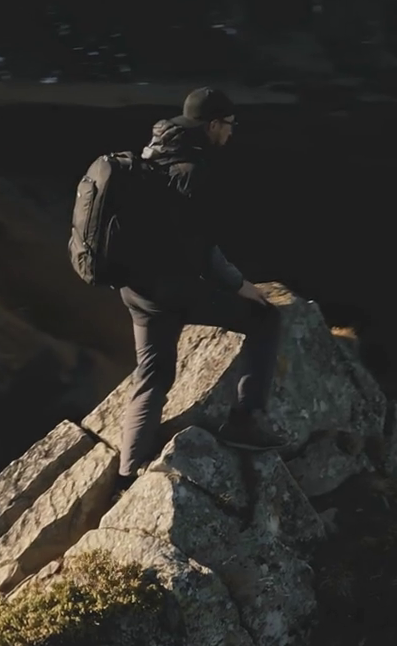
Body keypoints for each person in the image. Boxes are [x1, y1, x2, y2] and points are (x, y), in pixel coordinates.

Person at [114, 86, 286, 480]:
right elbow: (202, 248)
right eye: (228, 125)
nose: (230, 133)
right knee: (264, 320)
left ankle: (130, 470)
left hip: (135, 288)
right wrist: (240, 285)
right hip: (172, 287)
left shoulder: (150, 153)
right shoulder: (193, 170)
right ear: (212, 124)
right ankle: (245, 420)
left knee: (152, 375)